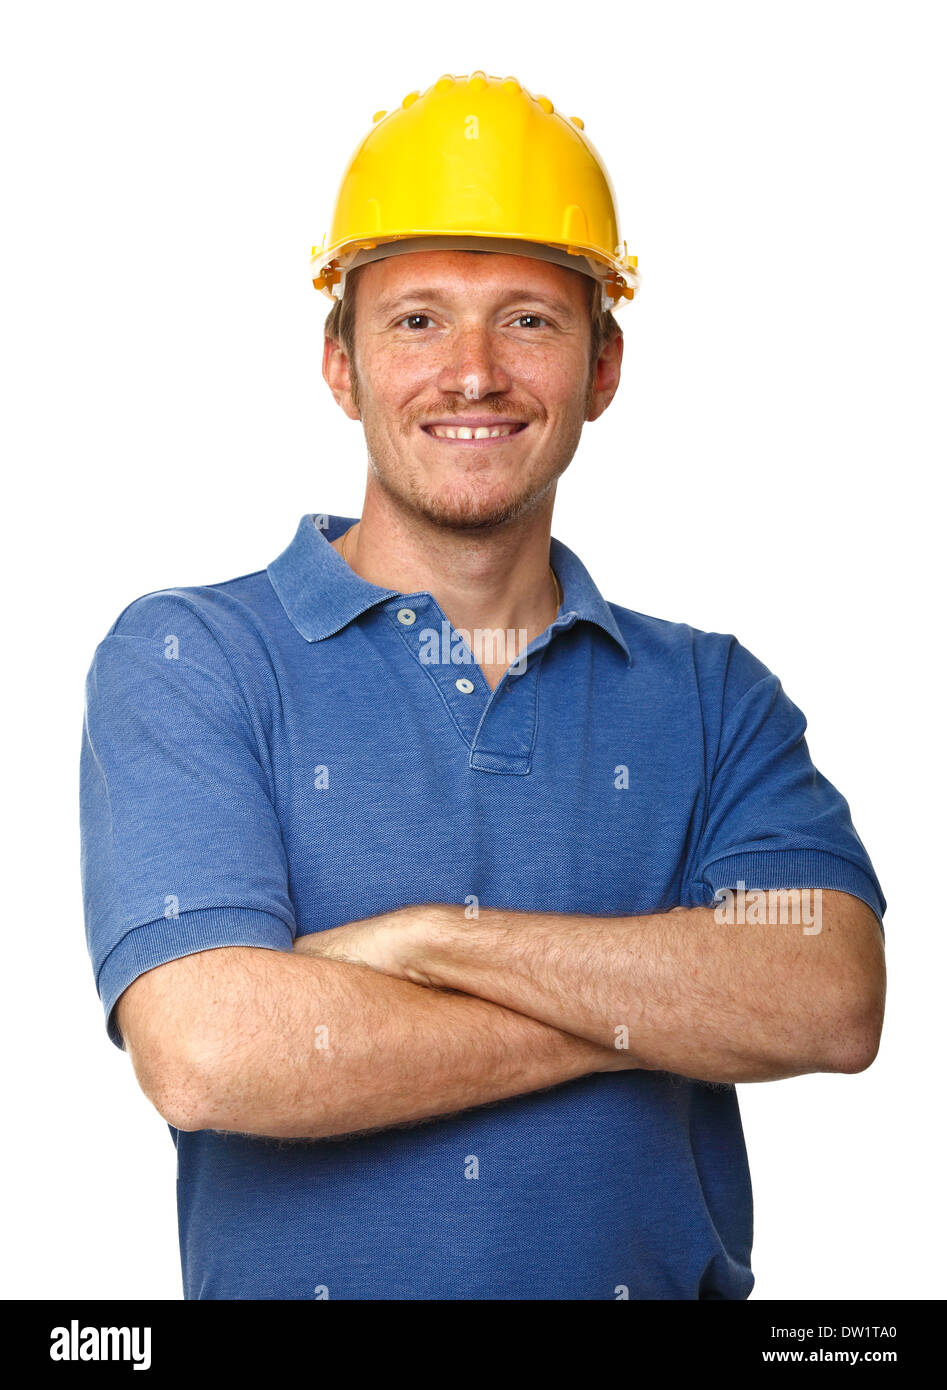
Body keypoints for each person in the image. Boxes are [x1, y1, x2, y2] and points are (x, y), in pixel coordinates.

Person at [80, 71, 886, 1301]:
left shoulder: (711, 694)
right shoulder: (194, 658)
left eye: (527, 319)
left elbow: (823, 986)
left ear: (601, 368)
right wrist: (648, 1009)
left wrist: (426, 942)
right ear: (340, 367)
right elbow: (210, 1053)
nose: (471, 373)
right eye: (414, 321)